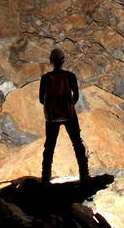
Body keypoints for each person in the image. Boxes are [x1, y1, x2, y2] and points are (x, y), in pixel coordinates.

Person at [38, 48, 88, 183]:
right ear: (63, 61)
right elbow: (76, 95)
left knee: (49, 147)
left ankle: (45, 178)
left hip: (52, 116)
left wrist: (51, 108)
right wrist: (69, 106)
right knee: (77, 143)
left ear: (50, 61)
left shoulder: (45, 78)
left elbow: (41, 99)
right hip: (69, 114)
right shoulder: (70, 76)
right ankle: (84, 175)